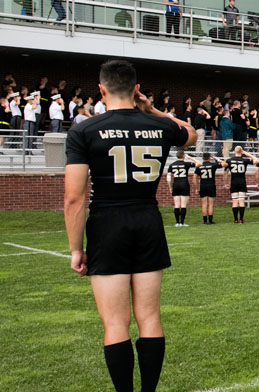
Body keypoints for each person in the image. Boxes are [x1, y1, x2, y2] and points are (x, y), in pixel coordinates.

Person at [63, 59, 196, 392]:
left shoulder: (84, 130)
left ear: (101, 90)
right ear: (137, 89)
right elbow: (191, 135)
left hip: (107, 224)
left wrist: (76, 249)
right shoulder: (159, 125)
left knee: (115, 322)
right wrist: (153, 110)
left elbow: (74, 198)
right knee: (149, 317)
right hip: (147, 220)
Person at [226, 146, 259, 224]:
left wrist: (225, 182)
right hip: (242, 182)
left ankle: (235, 219)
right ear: (241, 151)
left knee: (234, 201)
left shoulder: (229, 160)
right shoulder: (245, 160)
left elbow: (225, 172)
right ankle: (241, 219)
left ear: (234, 151)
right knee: (241, 201)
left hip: (233, 182)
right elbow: (257, 160)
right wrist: (247, 154)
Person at [167, 151, 200, 227]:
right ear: (184, 156)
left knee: (176, 205)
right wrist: (190, 158)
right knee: (183, 205)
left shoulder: (172, 165)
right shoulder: (186, 164)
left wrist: (170, 187)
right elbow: (199, 164)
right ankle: (182, 223)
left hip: (176, 184)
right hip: (184, 184)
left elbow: (168, 178)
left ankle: (177, 223)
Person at [196, 153, 221, 224]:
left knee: (204, 204)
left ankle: (204, 221)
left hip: (203, 185)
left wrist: (196, 187)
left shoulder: (199, 166)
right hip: (211, 185)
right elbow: (224, 164)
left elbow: (194, 177)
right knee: (210, 204)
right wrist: (216, 159)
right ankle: (210, 220)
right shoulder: (213, 165)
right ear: (209, 158)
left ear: (203, 158)